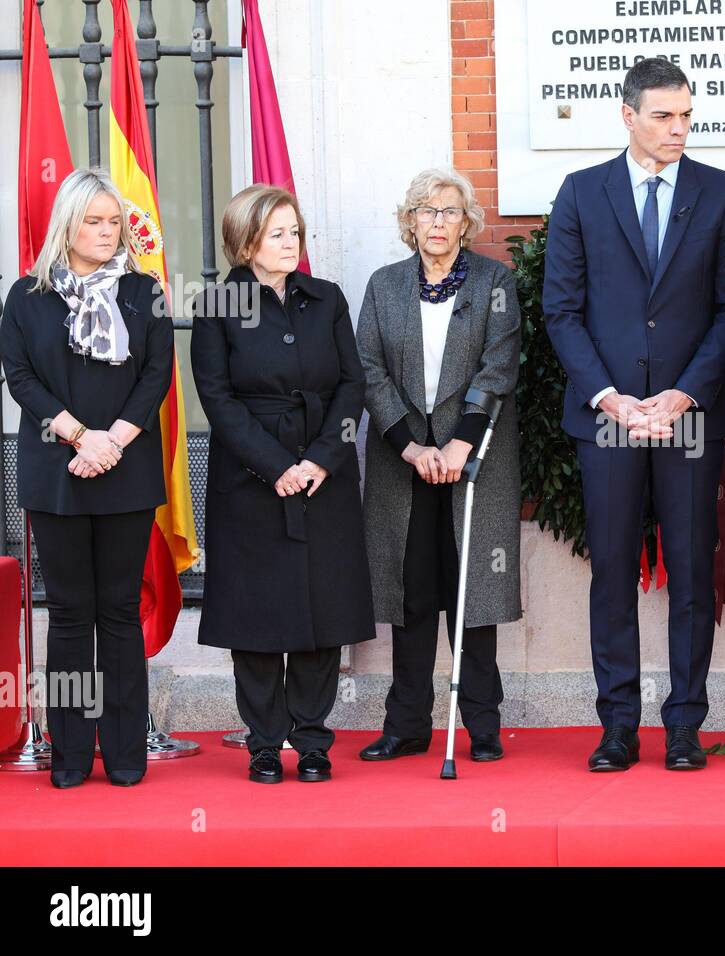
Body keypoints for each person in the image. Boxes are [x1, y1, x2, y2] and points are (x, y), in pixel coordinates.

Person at [543, 57, 725, 772]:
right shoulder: (580, 194)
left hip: (690, 414)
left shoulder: (721, 196)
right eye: (664, 116)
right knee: (611, 573)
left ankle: (685, 726)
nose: (679, 129)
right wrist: (611, 398)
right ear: (627, 115)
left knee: (693, 569)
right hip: (606, 415)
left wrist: (685, 393)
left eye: (687, 115)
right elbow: (561, 311)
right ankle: (618, 727)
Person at [191, 185, 373, 784]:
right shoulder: (218, 304)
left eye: (295, 231)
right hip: (250, 483)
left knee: (323, 608)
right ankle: (265, 743)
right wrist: (276, 467)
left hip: (326, 476)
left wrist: (322, 459)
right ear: (246, 241)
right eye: (277, 233)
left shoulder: (327, 299)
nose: (291, 242)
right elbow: (217, 399)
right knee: (259, 614)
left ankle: (314, 740)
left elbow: (353, 384)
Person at [0, 168, 174, 788]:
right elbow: (20, 378)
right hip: (58, 470)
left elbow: (157, 375)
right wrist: (80, 437)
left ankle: (126, 754)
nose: (107, 231)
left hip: (126, 469)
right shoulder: (26, 296)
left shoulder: (145, 291)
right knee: (71, 614)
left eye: (113, 221)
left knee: (120, 611)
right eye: (93, 221)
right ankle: (71, 756)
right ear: (67, 225)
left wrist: (113, 441)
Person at [355, 168, 521, 764]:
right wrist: (411, 446)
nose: (437, 222)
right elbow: (368, 369)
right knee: (412, 595)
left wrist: (459, 446)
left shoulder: (495, 282)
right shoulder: (384, 285)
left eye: (449, 212)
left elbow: (498, 368)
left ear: (466, 222)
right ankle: (406, 725)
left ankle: (481, 724)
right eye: (426, 211)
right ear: (410, 220)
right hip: (405, 464)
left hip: (474, 464)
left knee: (473, 594)